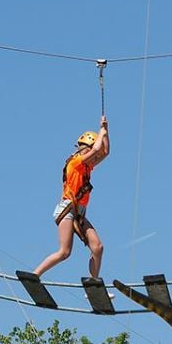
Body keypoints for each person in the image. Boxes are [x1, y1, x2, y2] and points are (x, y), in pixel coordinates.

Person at [34, 115, 110, 280]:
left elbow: (104, 153)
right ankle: (35, 274)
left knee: (97, 247)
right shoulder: (75, 162)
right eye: (89, 150)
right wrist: (101, 131)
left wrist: (105, 132)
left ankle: (93, 283)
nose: (93, 155)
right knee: (64, 252)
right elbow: (97, 150)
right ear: (84, 149)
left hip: (79, 213)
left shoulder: (87, 167)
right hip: (67, 209)